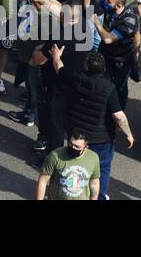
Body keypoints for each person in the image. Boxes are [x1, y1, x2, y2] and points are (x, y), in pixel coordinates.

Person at [62, 50, 133, 199]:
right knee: (102, 169)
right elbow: (119, 116)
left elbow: (59, 68)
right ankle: (99, 196)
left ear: (86, 66)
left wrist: (56, 55)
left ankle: (73, 193)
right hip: (101, 139)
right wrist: (129, 134)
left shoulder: (75, 78)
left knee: (76, 165)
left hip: (77, 135)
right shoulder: (108, 88)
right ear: (103, 68)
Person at [35, 130, 101, 200]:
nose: (73, 148)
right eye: (71, 144)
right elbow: (43, 180)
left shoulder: (93, 158)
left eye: (77, 146)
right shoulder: (55, 156)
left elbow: (94, 183)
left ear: (85, 147)